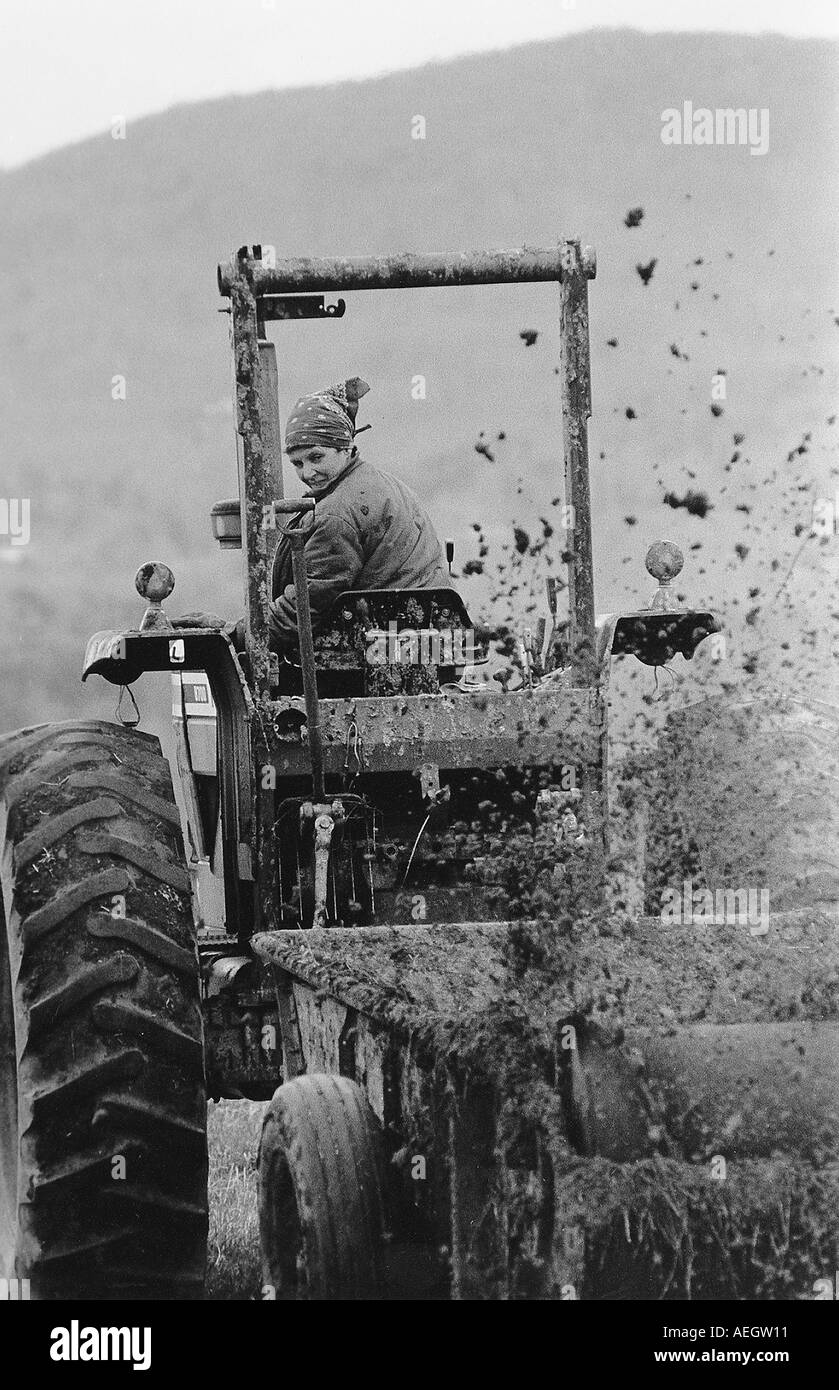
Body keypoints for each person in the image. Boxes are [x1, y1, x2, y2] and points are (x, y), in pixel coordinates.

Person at [268, 377, 451, 651]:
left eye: (316, 458)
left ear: (346, 447)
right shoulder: (379, 483)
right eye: (297, 463)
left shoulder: (336, 515)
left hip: (384, 647)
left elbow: (305, 610)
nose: (306, 473)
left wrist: (236, 633)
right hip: (427, 636)